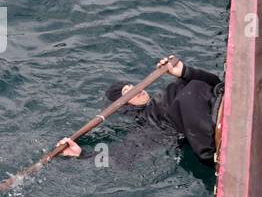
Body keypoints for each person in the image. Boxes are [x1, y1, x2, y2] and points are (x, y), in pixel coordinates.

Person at [57, 56, 224, 165]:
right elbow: (121, 157)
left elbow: (215, 83)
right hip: (211, 131)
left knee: (191, 85)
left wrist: (185, 71)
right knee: (189, 93)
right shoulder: (149, 123)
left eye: (133, 86)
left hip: (218, 99)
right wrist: (82, 155)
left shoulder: (172, 89)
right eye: (127, 92)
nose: (136, 89)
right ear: (125, 106)